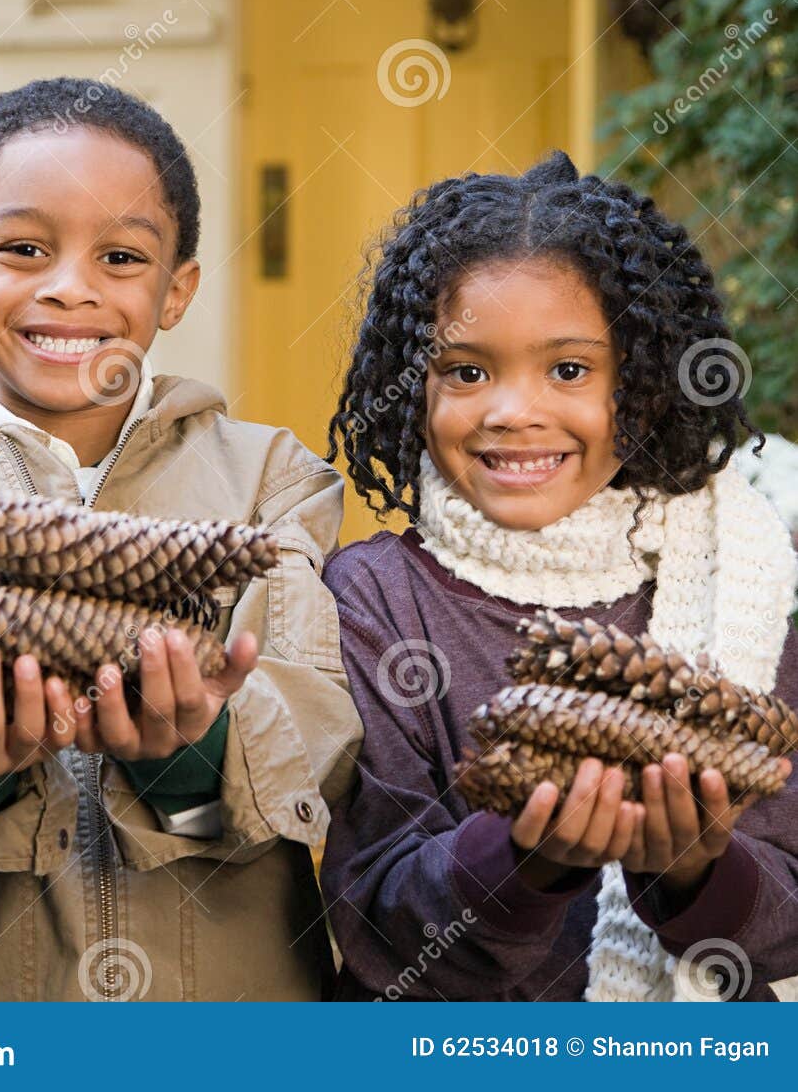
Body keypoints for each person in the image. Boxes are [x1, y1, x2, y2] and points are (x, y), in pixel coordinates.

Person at [0, 78, 360, 1002]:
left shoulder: (271, 487)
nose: (70, 286)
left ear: (176, 290)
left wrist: (188, 756)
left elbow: (311, 731)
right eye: (23, 247)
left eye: (121, 256)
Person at [321, 151, 798, 1002]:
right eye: (466, 371)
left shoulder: (742, 576)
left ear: (644, 388)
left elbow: (786, 921)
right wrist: (521, 861)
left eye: (569, 370)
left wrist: (695, 873)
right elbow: (375, 927)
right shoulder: (372, 599)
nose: (513, 411)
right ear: (412, 391)